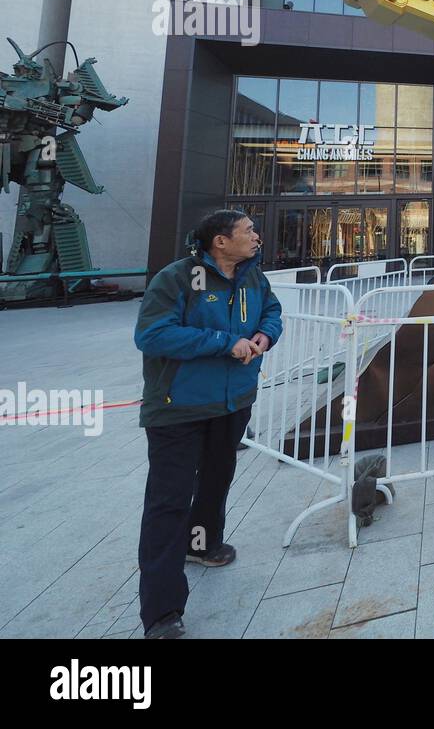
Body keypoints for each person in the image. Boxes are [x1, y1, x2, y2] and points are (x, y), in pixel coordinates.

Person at [133, 209, 282, 639]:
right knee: (168, 502)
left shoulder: (253, 276)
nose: (256, 236)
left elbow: (271, 311)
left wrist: (264, 336)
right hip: (178, 407)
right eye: (248, 230)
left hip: (233, 402)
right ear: (220, 241)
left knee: (216, 480)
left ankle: (202, 545)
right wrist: (224, 343)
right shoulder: (179, 278)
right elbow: (152, 335)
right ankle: (161, 613)